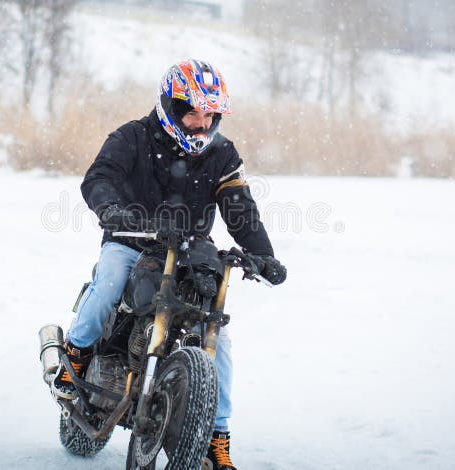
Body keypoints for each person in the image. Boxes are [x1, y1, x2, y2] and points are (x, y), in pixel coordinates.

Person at [54, 59, 286, 470]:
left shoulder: (222, 154)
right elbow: (99, 178)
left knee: (217, 337)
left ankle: (217, 438)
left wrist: (264, 255)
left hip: (190, 253)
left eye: (210, 114)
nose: (202, 122)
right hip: (132, 241)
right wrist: (113, 210)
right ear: (170, 105)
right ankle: (75, 357)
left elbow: (241, 211)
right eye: (193, 112)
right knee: (109, 282)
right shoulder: (133, 137)